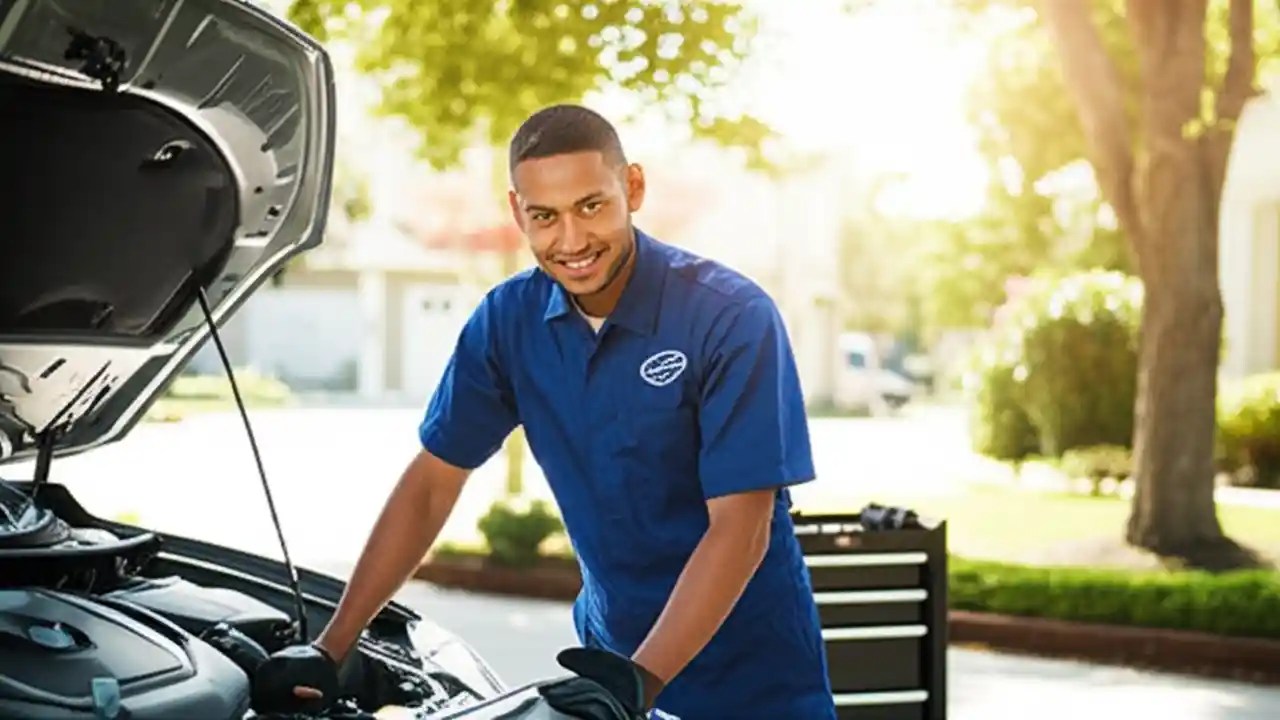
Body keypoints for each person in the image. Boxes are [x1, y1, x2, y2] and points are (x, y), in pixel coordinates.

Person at [250, 104, 837, 720]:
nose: (572, 240)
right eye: (545, 217)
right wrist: (331, 646)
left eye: (592, 206)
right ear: (517, 214)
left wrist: (638, 681)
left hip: (752, 682)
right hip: (612, 673)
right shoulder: (506, 324)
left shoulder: (730, 317)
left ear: (632, 188)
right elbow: (431, 485)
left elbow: (741, 530)